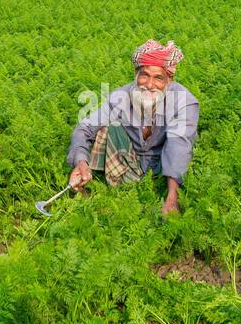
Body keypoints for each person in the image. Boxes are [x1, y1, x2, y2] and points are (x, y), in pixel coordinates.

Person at [66, 39, 200, 216]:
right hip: (128, 159)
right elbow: (84, 129)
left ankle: (164, 189)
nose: (150, 85)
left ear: (169, 79)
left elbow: (179, 146)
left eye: (158, 77)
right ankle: (89, 183)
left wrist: (172, 198)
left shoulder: (184, 102)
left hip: (162, 164)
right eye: (144, 75)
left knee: (176, 143)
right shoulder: (120, 96)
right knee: (103, 128)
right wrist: (81, 162)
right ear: (136, 74)